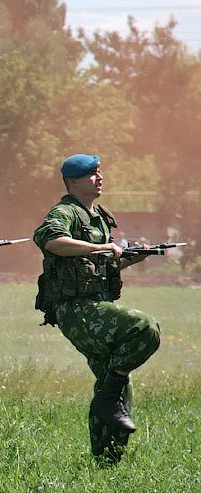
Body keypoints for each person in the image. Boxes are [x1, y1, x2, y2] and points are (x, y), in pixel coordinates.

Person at [34, 154, 160, 463]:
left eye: (99, 172)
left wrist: (133, 257)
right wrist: (99, 247)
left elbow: (104, 264)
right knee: (144, 328)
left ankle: (106, 460)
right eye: (91, 174)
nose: (99, 177)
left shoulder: (100, 217)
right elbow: (49, 240)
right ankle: (107, 399)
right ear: (73, 182)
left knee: (117, 384)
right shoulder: (65, 212)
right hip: (76, 310)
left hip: (97, 305)